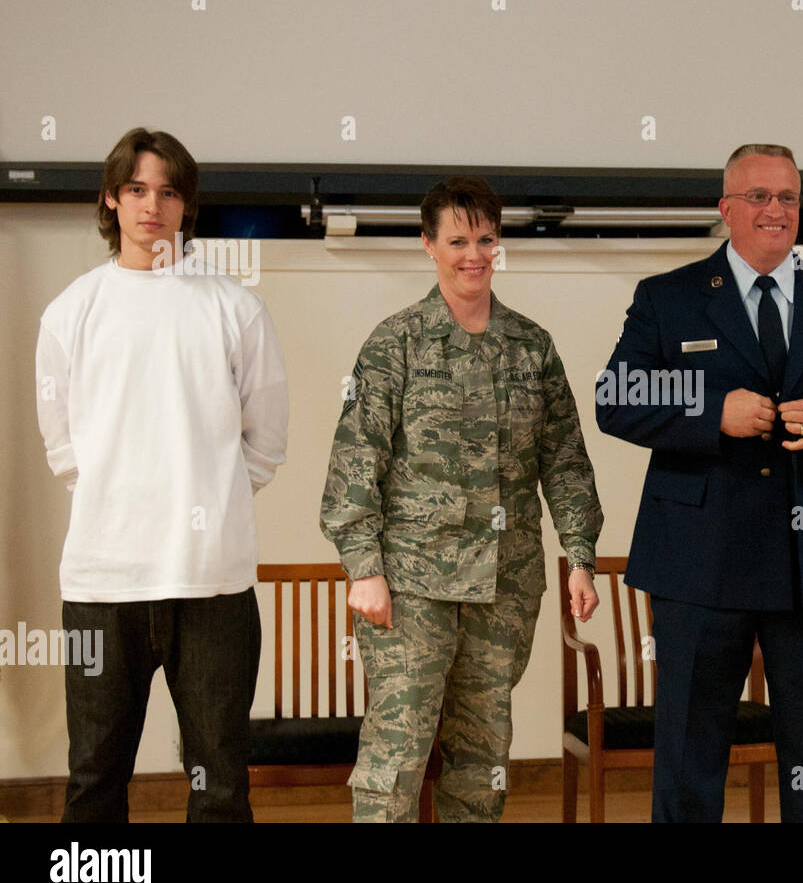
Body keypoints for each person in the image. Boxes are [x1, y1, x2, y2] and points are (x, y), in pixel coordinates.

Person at [597, 144, 803, 822]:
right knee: (690, 758)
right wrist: (711, 411)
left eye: (788, 198)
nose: (774, 210)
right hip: (699, 562)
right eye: (758, 196)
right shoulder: (670, 297)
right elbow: (617, 394)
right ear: (726, 209)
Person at [320, 176, 603, 823]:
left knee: (483, 760)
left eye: (485, 239)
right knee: (397, 756)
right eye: (457, 240)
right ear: (428, 245)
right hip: (411, 583)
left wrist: (580, 555)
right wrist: (363, 567)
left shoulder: (531, 347)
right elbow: (355, 461)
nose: (473, 254)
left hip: (504, 585)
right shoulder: (396, 343)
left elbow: (564, 460)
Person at [35, 127, 289, 822]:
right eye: (139, 189)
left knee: (220, 785)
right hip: (101, 584)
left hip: (212, 582)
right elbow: (66, 453)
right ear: (111, 199)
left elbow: (264, 443)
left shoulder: (234, 308)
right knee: (93, 779)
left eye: (170, 191)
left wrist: (205, 499)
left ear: (186, 205)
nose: (154, 205)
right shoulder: (69, 313)